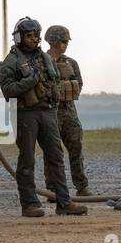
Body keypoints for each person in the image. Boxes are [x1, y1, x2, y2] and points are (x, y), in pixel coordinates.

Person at [0, 17, 88, 217]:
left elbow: (54, 79)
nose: (33, 39)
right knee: (27, 159)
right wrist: (29, 82)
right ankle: (29, 203)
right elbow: (8, 90)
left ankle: (63, 202)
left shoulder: (45, 58)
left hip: (47, 111)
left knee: (56, 157)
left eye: (35, 35)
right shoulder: (12, 61)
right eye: (29, 36)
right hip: (25, 114)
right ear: (20, 37)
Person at [42, 24, 91, 196]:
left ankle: (81, 186)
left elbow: (79, 84)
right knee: (53, 153)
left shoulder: (71, 63)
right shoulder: (41, 61)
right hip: (49, 112)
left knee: (76, 148)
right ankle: (53, 190)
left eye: (66, 41)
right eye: (63, 41)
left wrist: (64, 89)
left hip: (69, 112)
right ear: (53, 41)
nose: (66, 44)